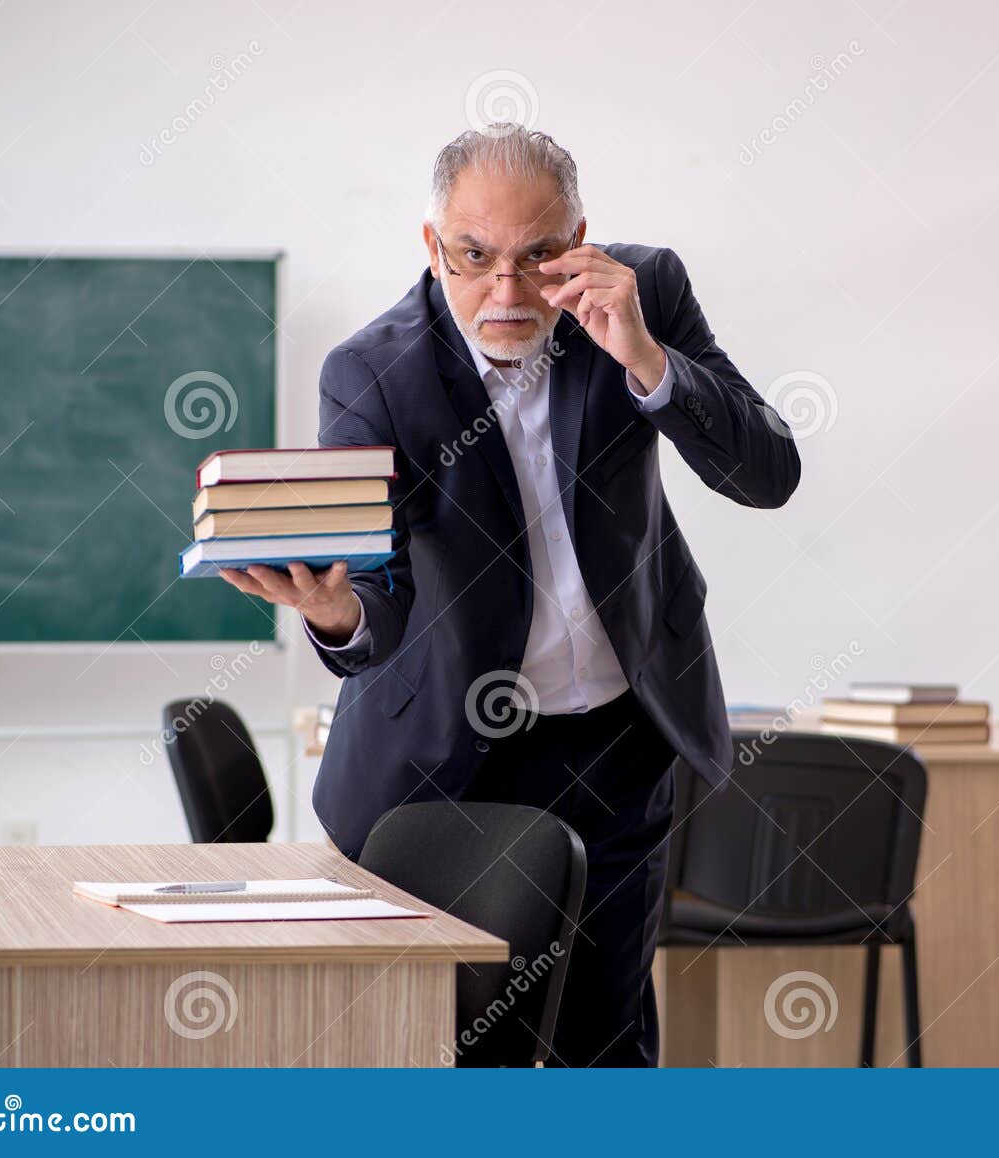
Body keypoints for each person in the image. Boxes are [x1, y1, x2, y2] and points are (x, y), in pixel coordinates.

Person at [220, 124, 800, 1066]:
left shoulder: (643, 293)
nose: (507, 291)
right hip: (456, 762)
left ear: (580, 239)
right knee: (469, 1050)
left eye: (538, 257)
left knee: (606, 1044)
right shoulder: (374, 373)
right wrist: (336, 614)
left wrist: (647, 360)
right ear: (432, 245)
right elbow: (378, 590)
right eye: (475, 256)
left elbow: (768, 474)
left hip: (619, 740)